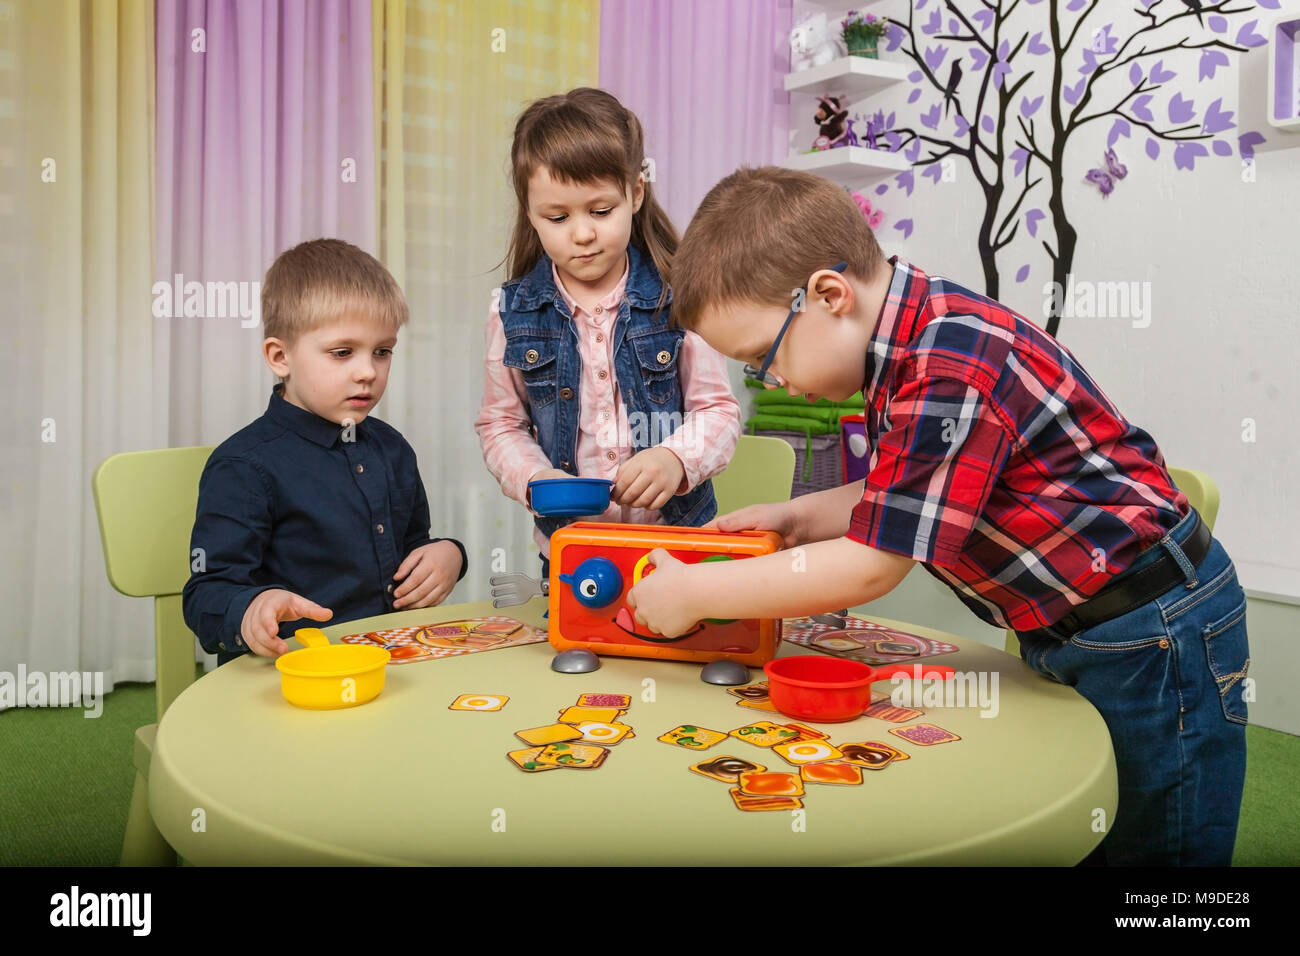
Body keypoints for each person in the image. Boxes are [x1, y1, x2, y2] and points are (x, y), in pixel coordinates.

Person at [626, 165, 1249, 866]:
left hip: (1154, 624)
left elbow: (870, 566)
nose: (771, 383)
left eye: (762, 360)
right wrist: (798, 518)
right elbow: (909, 492)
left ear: (829, 295)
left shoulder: (952, 359)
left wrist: (695, 592)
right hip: (1074, 622)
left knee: (1161, 843)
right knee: (1094, 817)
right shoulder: (900, 342)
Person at [474, 88, 741, 578]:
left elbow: (719, 410)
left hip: (676, 546)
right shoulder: (510, 310)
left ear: (635, 194)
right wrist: (535, 477)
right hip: (573, 549)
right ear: (530, 211)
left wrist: (675, 458)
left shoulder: (680, 296)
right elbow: (500, 425)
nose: (582, 233)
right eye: (557, 217)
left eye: (600, 211)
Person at [183, 238, 467, 665]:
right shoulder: (243, 466)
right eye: (342, 353)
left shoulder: (393, 449)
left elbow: (414, 548)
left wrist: (451, 555)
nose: (368, 371)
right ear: (280, 357)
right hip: (289, 674)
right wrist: (250, 610)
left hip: (393, 662)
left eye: (383, 351)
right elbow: (206, 592)